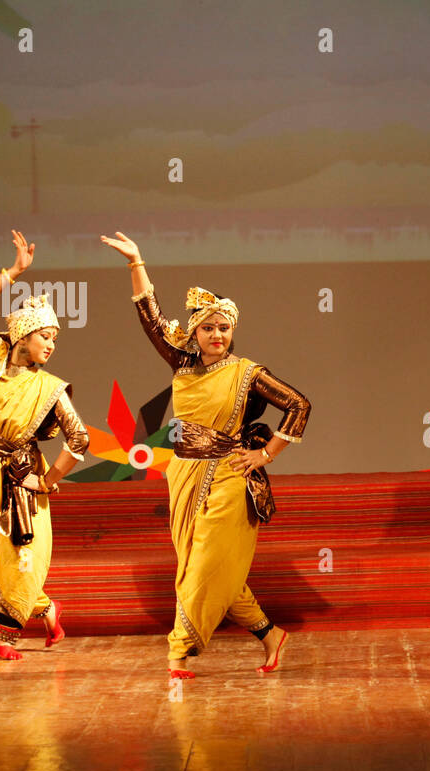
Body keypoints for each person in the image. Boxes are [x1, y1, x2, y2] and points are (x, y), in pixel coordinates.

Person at [100, 231, 311, 680]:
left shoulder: (247, 372)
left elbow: (299, 404)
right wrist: (136, 261)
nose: (218, 335)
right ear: (194, 332)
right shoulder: (182, 364)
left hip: (232, 475)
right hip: (184, 474)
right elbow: (152, 321)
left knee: (205, 564)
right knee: (209, 567)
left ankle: (178, 652)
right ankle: (272, 636)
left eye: (225, 327)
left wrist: (265, 455)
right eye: (209, 327)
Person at [0, 231, 90, 661]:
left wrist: (47, 481)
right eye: (45, 336)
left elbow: (80, 438)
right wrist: (14, 272)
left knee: (20, 554)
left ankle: (6, 634)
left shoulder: (49, 387)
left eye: (55, 340)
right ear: (23, 335)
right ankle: (47, 609)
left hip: (18, 479)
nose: (50, 345)